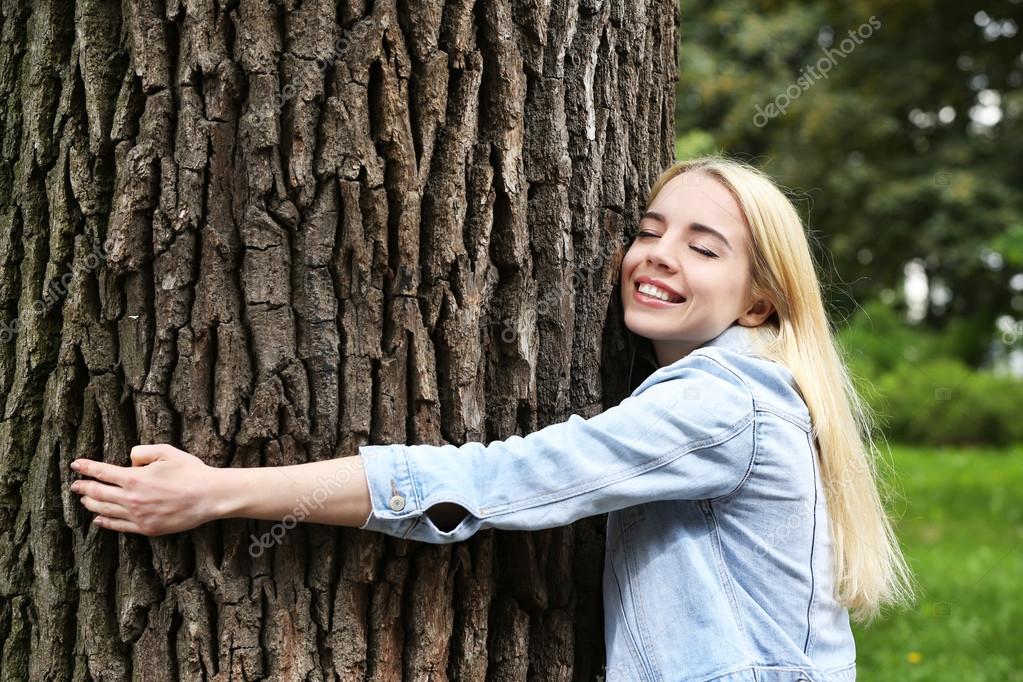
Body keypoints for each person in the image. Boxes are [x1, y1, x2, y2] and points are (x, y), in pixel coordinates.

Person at [68, 155, 914, 681]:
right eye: (651, 230)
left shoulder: (719, 406)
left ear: (762, 297)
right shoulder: (742, 391)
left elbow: (500, 481)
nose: (657, 254)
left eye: (703, 246)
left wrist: (220, 491)